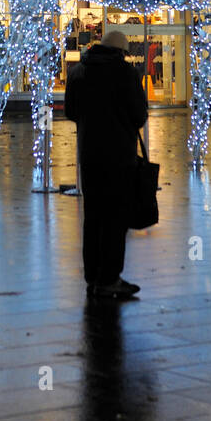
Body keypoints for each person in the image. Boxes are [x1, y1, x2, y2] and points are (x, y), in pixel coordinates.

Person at [64, 29, 148, 299]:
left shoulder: (78, 72)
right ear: (122, 51)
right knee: (115, 218)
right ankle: (109, 278)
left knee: (93, 217)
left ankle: (93, 276)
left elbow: (70, 111)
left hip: (89, 155)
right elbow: (139, 115)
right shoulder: (125, 74)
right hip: (119, 156)